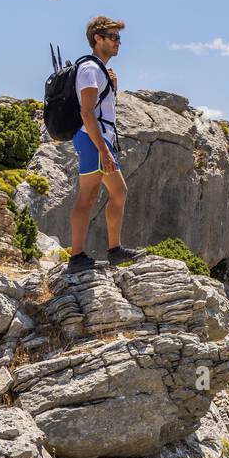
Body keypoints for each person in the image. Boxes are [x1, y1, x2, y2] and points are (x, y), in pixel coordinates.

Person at [68, 15, 142, 275]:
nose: (118, 43)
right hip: (92, 139)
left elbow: (100, 107)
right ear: (97, 39)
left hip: (100, 139)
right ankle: (76, 257)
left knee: (119, 192)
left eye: (119, 38)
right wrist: (102, 149)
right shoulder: (89, 69)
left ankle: (114, 250)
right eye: (113, 37)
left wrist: (113, 87)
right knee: (87, 198)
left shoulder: (100, 70)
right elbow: (86, 113)